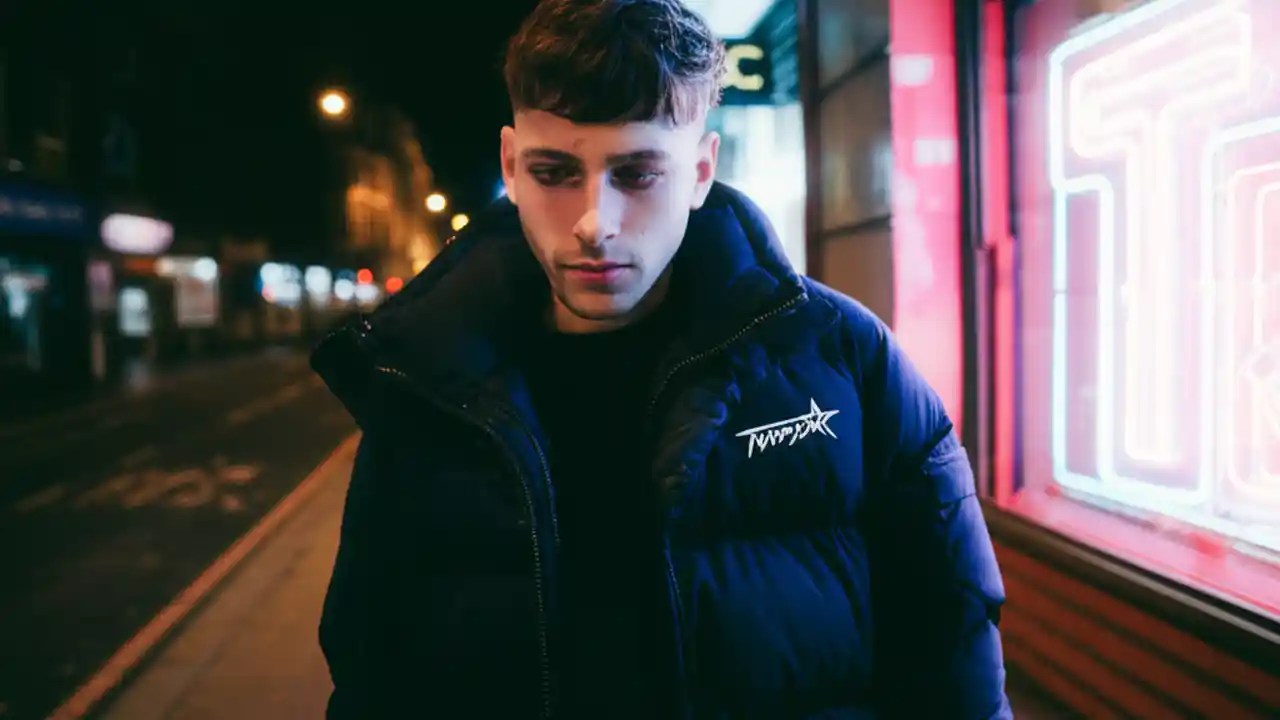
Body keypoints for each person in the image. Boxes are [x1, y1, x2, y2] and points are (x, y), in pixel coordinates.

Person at [311, 0, 1012, 717]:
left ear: (702, 170)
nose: (594, 224)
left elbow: (950, 645)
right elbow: (373, 674)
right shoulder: (426, 385)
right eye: (555, 173)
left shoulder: (843, 359)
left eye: (638, 174)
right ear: (510, 167)